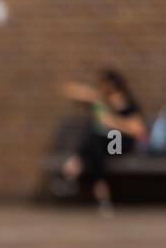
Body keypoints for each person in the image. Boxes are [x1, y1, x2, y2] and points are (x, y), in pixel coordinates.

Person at [54, 68, 149, 216]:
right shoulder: (102, 102)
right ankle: (102, 198)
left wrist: (113, 122)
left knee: (94, 140)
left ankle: (69, 174)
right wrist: (94, 96)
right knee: (94, 146)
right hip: (101, 146)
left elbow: (138, 130)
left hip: (119, 144)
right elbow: (69, 90)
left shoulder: (127, 104)